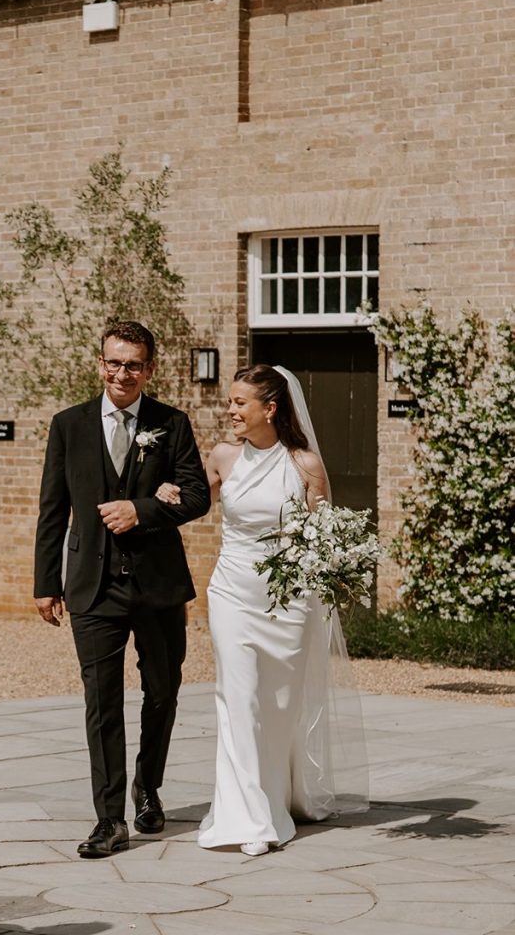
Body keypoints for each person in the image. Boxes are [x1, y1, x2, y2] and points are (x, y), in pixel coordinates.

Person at [157, 364, 368, 856]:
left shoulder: (304, 464)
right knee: (238, 699)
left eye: (239, 403)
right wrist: (166, 494)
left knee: (276, 708)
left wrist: (337, 568)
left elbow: (326, 536)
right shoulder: (223, 456)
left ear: (269, 409)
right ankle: (247, 818)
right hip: (231, 591)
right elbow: (194, 502)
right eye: (230, 401)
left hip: (288, 601)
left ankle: (276, 798)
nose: (230, 410)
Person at [34, 321, 210, 859]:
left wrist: (144, 509)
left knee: (161, 691)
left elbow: (198, 495)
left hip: (158, 587)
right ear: (100, 363)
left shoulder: (170, 423)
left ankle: (147, 786)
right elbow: (52, 508)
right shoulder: (68, 425)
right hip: (92, 588)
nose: (122, 373)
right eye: (113, 362)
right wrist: (46, 583)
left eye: (133, 364)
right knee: (102, 703)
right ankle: (109, 819)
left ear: (148, 369)